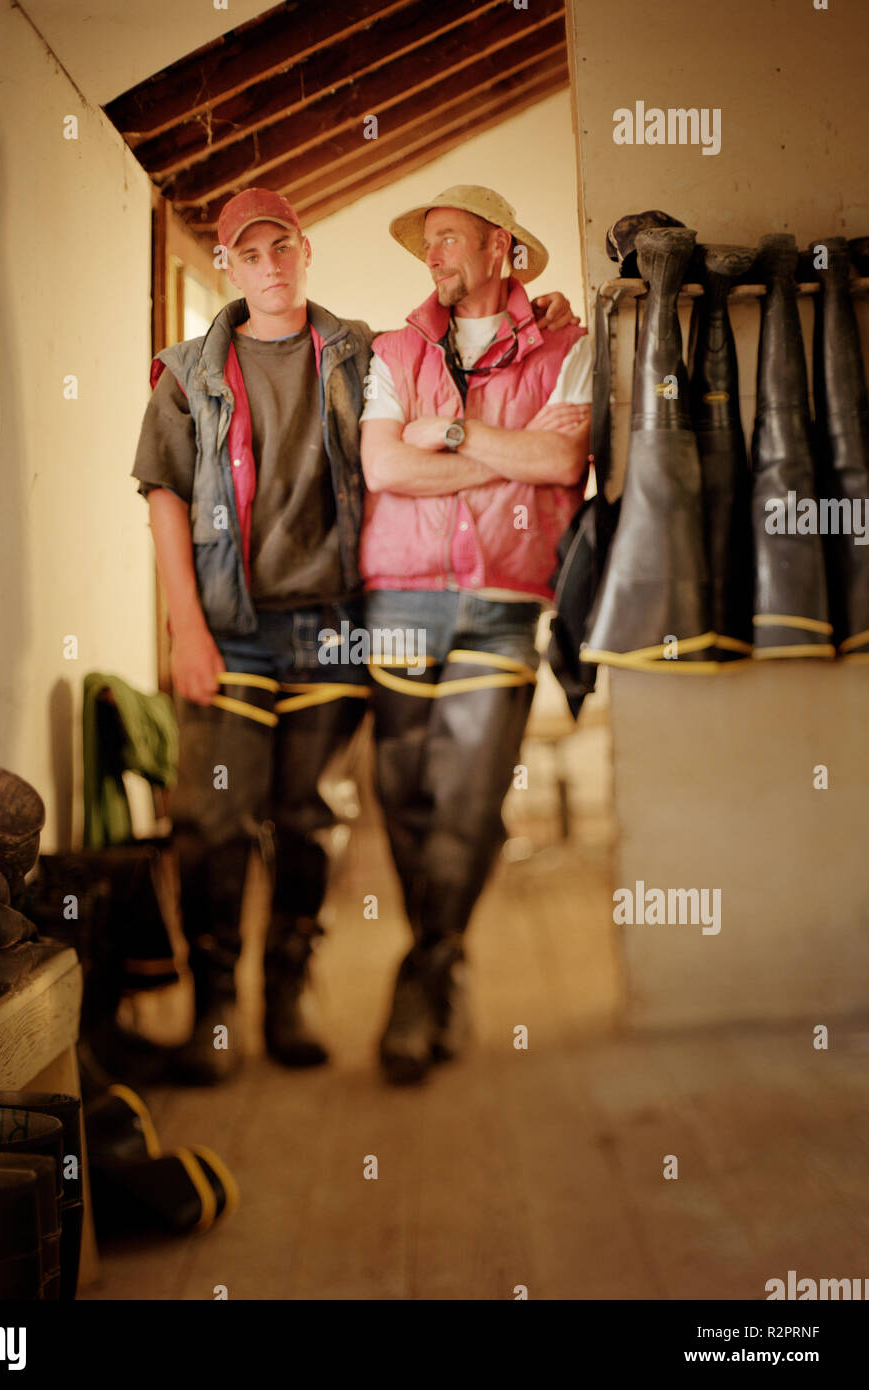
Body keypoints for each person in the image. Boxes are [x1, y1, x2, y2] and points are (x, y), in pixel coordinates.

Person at [131, 186, 579, 1086]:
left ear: (304, 249)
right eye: (248, 255)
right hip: (231, 628)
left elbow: (505, 392)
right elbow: (167, 498)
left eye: (281, 248)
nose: (268, 267)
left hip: (332, 626)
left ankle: (287, 993)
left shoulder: (356, 350)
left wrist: (543, 306)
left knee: (307, 819)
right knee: (216, 816)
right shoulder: (186, 373)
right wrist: (185, 625)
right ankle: (217, 1010)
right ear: (228, 266)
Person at [359, 185, 593, 1085]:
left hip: (503, 601)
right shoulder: (394, 348)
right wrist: (500, 454)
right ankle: (444, 964)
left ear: (503, 248)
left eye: (449, 238)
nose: (434, 255)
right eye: (427, 243)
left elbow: (562, 460)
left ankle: (419, 982)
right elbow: (383, 463)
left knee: (466, 802)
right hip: (399, 604)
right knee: (404, 799)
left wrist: (448, 435)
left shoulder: (567, 346)